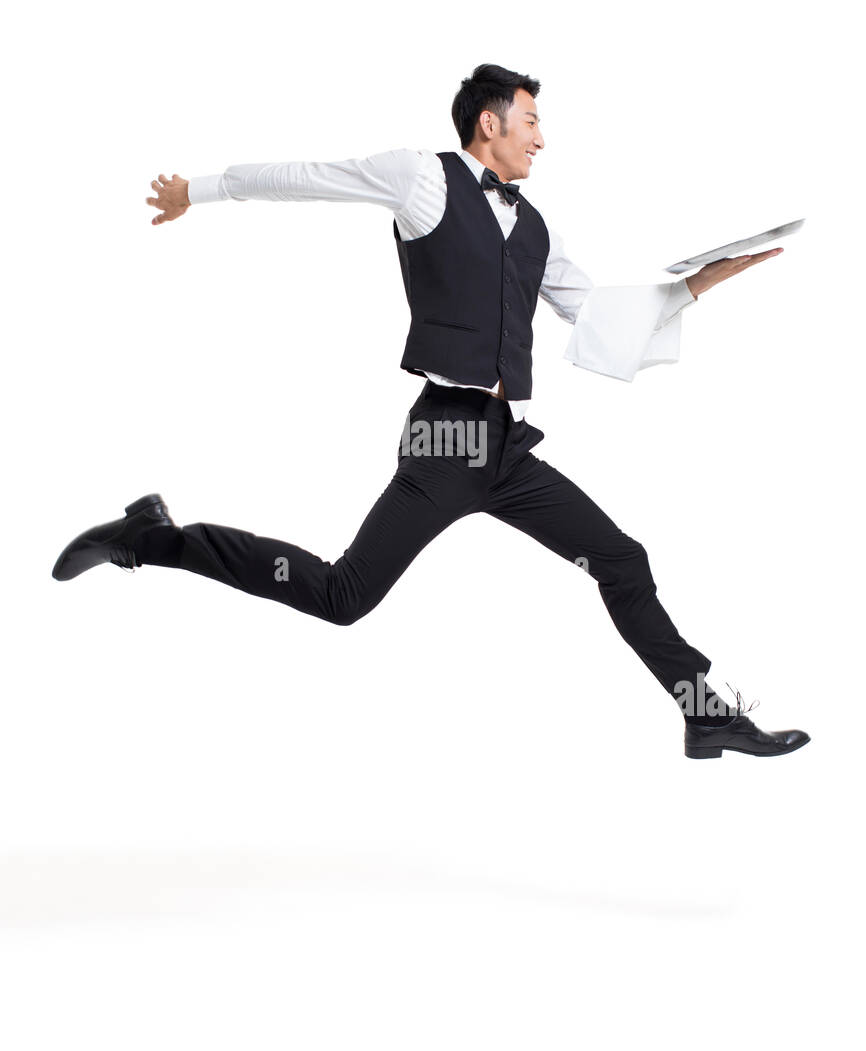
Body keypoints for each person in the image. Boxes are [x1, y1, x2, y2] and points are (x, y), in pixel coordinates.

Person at [52, 63, 809, 761]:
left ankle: (703, 710)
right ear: (490, 123)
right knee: (343, 596)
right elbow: (311, 178)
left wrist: (706, 280)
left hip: (502, 450)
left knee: (619, 558)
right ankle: (154, 539)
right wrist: (200, 188)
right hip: (444, 440)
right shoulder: (423, 179)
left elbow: (599, 316)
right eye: (532, 120)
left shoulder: (535, 226)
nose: (543, 137)